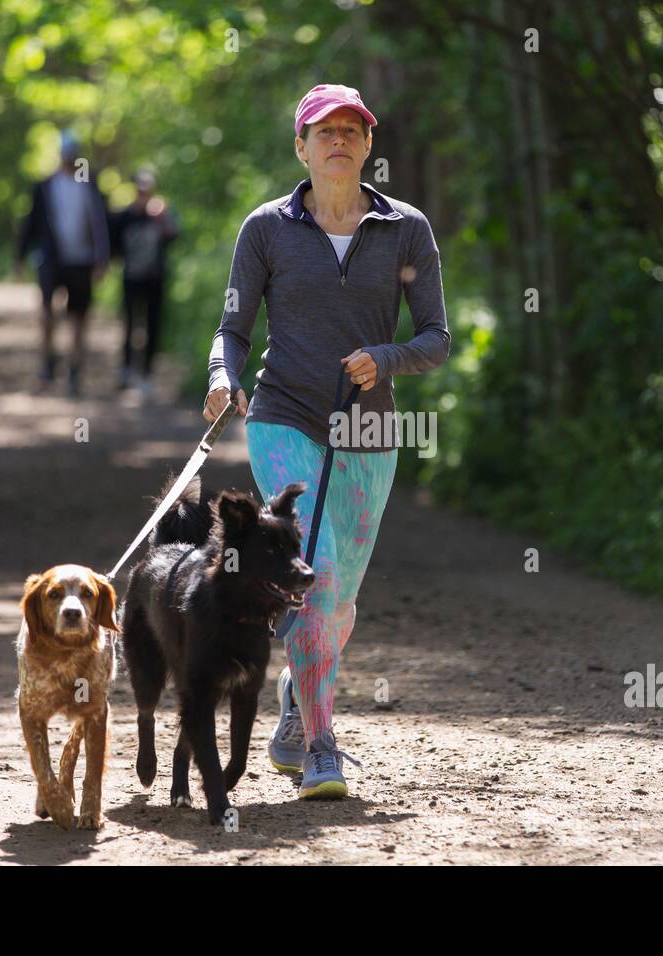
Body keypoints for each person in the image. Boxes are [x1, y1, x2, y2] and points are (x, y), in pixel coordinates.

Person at [204, 83, 451, 799]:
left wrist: (387, 356)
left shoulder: (406, 229)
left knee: (340, 606)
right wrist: (223, 374)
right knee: (320, 577)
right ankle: (322, 748)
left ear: (369, 146)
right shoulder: (266, 229)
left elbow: (436, 339)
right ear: (301, 147)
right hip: (284, 416)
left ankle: (295, 702)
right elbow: (232, 329)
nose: (339, 140)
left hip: (370, 426)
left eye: (352, 129)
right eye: (325, 131)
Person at [15, 129, 110, 396]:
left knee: (79, 316)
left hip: (81, 261)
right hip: (51, 259)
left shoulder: (89, 186)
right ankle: (48, 360)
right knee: (47, 312)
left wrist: (102, 258)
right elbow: (30, 223)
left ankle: (74, 369)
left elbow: (101, 225)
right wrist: (19, 257)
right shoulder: (45, 186)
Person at [109, 166, 181, 397]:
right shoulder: (125, 216)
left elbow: (175, 236)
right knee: (130, 324)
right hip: (131, 278)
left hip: (155, 279)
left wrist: (161, 217)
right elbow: (113, 244)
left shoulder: (161, 214)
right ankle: (126, 370)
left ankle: (146, 374)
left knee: (153, 325)